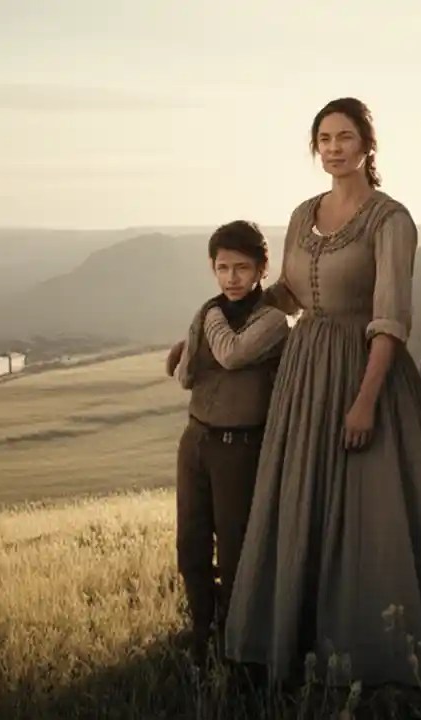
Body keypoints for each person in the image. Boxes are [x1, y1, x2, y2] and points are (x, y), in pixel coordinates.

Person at [220, 97, 421, 698]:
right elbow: (289, 295)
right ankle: (293, 647)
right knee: (301, 502)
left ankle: (382, 658)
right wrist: (210, 327)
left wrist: (366, 401)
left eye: (345, 137)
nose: (334, 148)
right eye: (324, 138)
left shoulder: (390, 219)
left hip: (365, 370)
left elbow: (391, 320)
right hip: (305, 377)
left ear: (368, 145)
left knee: (373, 514)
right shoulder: (301, 215)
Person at [165, 220, 290, 669]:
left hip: (240, 447)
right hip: (196, 438)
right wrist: (185, 348)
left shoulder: (272, 321)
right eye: (223, 268)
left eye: (242, 268)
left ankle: (239, 647)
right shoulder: (209, 312)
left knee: (236, 549)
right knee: (192, 543)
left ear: (261, 270)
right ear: (213, 268)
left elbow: (233, 354)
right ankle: (203, 633)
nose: (232, 278)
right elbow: (185, 378)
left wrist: (207, 321)